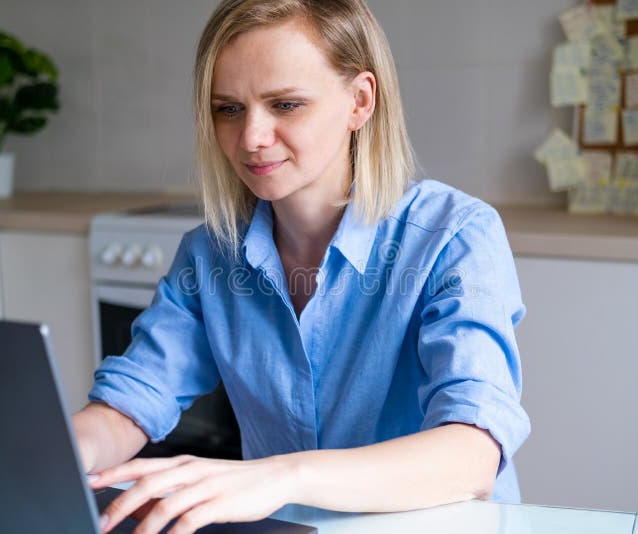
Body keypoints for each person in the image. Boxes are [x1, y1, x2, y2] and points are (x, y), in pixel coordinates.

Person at [73, 0, 530, 532]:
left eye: (285, 105)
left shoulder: (455, 236)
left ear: (360, 101)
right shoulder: (210, 255)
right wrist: (58, 450)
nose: (251, 138)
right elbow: (129, 403)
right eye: (229, 109)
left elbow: (471, 454)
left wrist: (280, 476)